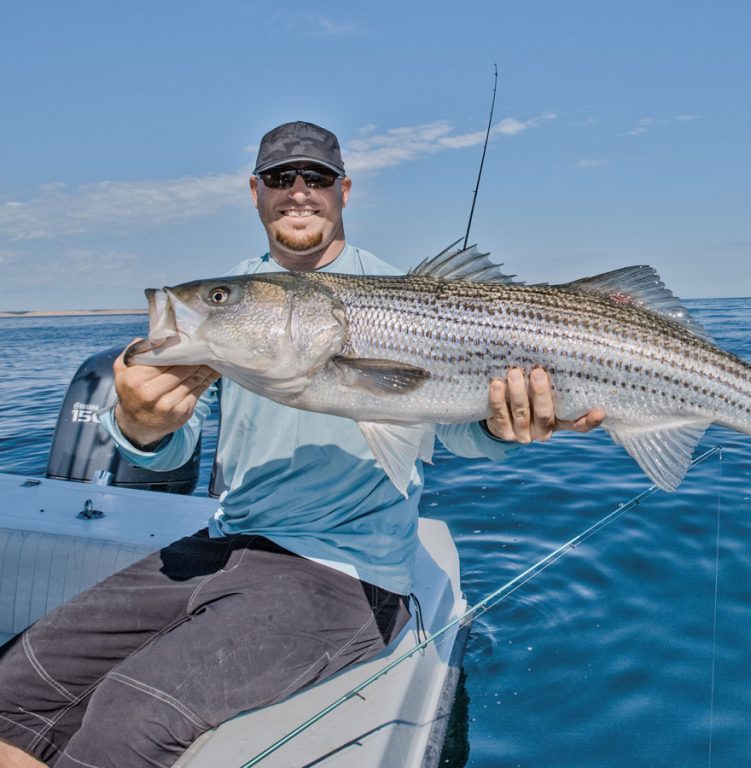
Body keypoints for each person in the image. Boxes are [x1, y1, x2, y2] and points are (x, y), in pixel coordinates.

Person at [0, 121, 605, 767]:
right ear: (255, 192)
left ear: (344, 190)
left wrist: (502, 425)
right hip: (222, 543)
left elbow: (456, 431)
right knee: (12, 688)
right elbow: (177, 446)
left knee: (126, 722)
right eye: (279, 177)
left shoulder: (398, 290)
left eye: (316, 177)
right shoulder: (230, 305)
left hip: (343, 574)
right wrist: (144, 425)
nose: (298, 191)